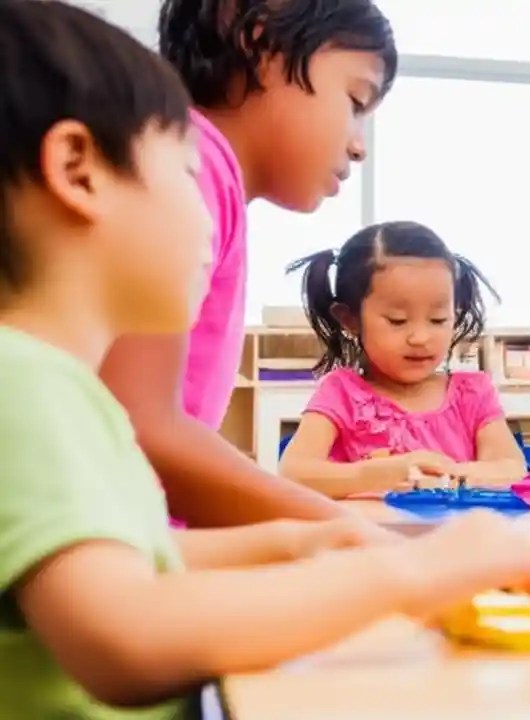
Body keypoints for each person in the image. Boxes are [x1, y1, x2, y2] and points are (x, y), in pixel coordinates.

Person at [0, 6, 530, 717]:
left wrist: (302, 539)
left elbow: (132, 557)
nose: (207, 203)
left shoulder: (50, 387)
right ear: (78, 171)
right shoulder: (25, 385)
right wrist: (411, 571)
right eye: (185, 170)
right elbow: (125, 634)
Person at [97, 0, 400, 527]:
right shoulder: (188, 164)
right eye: (355, 101)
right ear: (259, 43)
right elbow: (140, 422)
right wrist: (337, 529)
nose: (358, 147)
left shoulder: (203, 173)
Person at [278, 222, 528, 497]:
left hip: (458, 538)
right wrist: (382, 474)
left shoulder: (472, 393)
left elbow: (510, 467)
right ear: (350, 320)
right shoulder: (341, 393)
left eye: (438, 319)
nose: (420, 337)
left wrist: (452, 476)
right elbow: (293, 473)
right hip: (373, 538)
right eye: (397, 321)